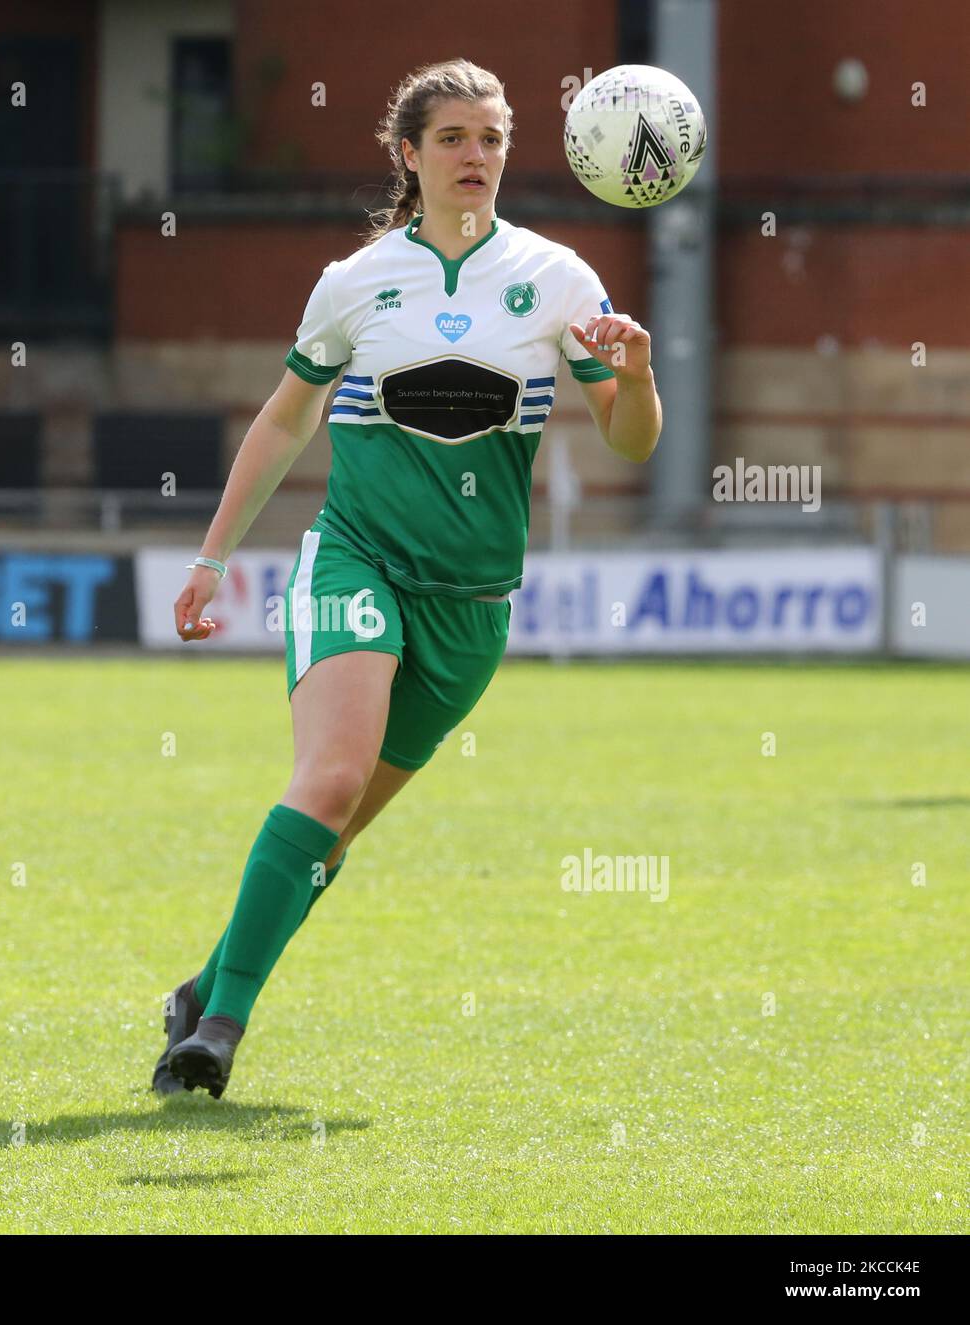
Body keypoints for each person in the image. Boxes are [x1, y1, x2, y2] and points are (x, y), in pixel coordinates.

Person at [155, 58, 661, 1098]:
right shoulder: (356, 281)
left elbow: (630, 442)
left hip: (471, 606)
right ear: (409, 155)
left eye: (490, 137)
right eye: (452, 139)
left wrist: (640, 376)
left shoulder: (558, 278)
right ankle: (219, 1028)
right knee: (330, 776)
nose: (474, 155)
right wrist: (212, 555)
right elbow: (285, 415)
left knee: (330, 831)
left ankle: (204, 979)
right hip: (357, 560)